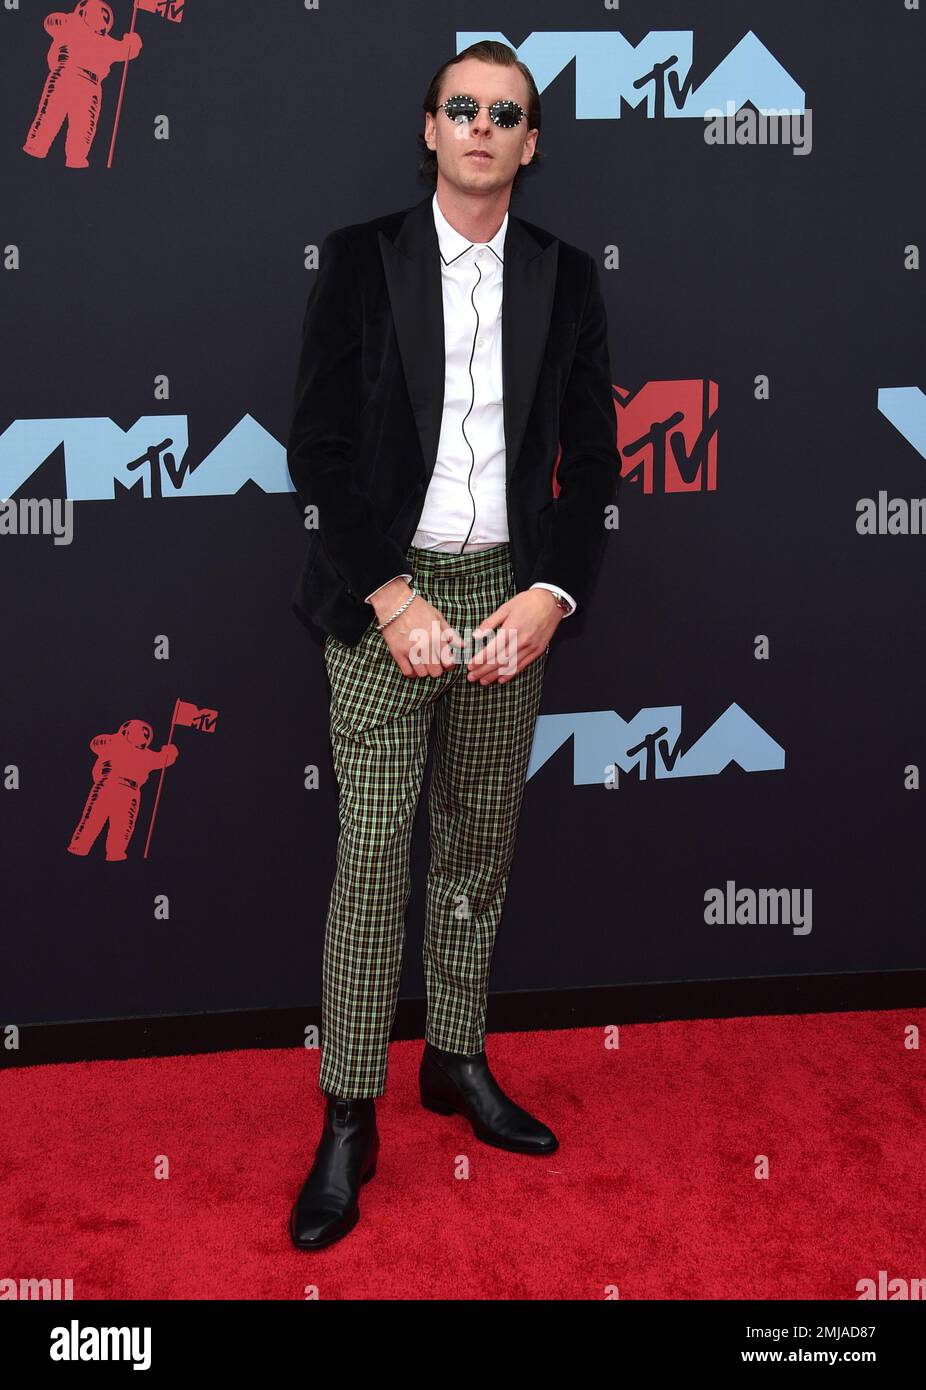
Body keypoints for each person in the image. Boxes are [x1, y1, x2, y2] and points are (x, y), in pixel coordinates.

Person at [285, 39, 620, 1250]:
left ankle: (458, 1059)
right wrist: (387, 593)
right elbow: (315, 451)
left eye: (506, 114)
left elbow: (591, 468)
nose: (481, 126)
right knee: (375, 853)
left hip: (505, 595)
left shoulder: (564, 280)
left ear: (529, 145)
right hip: (386, 591)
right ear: (428, 128)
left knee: (478, 839)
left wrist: (547, 595)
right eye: (460, 107)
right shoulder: (360, 260)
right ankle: (348, 1113)